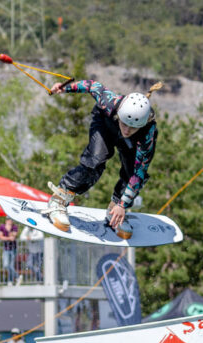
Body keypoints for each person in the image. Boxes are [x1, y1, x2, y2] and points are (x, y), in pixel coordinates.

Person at [45, 78, 163, 239]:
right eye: (125, 123)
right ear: (120, 115)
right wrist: (65, 88)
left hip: (133, 140)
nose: (127, 130)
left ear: (141, 125)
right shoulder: (110, 102)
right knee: (96, 160)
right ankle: (59, 198)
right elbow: (92, 86)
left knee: (132, 173)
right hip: (106, 123)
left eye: (132, 127)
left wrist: (122, 204)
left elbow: (138, 174)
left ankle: (115, 212)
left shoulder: (147, 134)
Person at [0, 217, 19, 284]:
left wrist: (9, 231)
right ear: (6, 220)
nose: (10, 221)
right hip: (6, 249)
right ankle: (17, 277)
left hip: (13, 248)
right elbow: (0, 237)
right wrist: (9, 237)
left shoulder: (14, 227)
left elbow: (14, 236)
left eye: (11, 220)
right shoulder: (2, 226)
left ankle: (10, 281)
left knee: (11, 265)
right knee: (6, 265)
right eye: (9, 220)